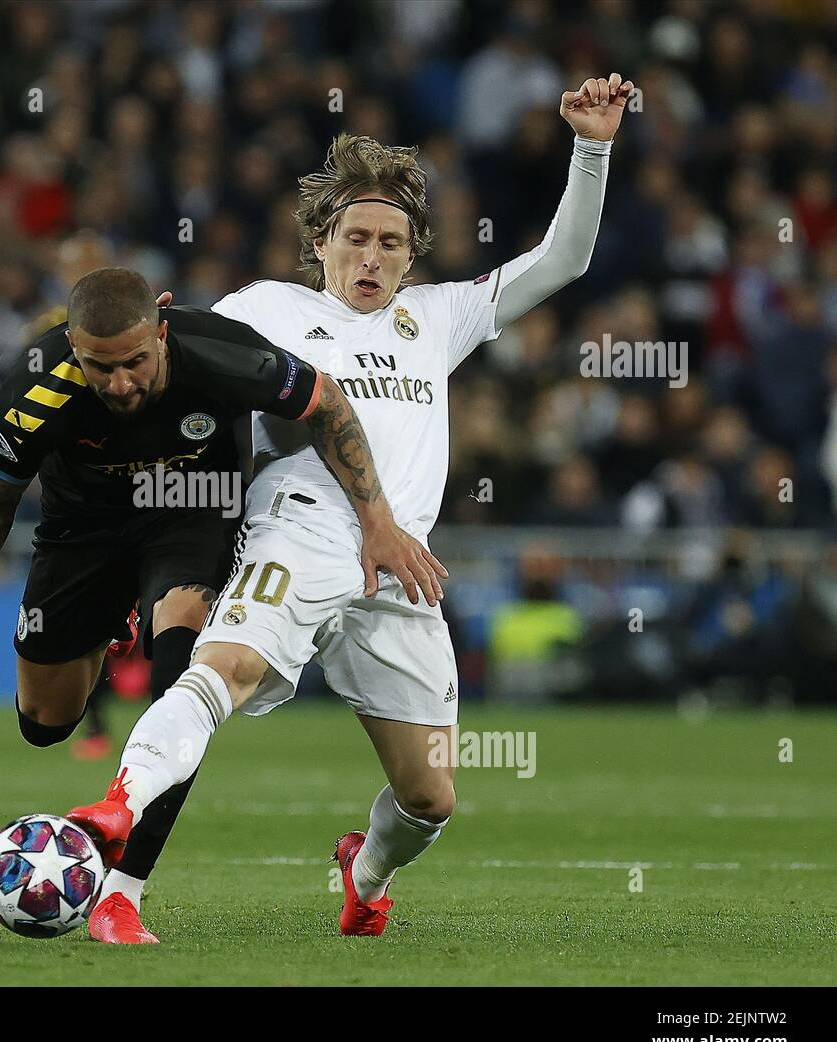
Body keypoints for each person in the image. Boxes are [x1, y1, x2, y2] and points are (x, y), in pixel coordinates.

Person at [69, 74, 633, 941]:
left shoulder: (437, 319)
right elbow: (173, 381)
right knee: (224, 670)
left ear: (413, 257)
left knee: (431, 794)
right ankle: (114, 819)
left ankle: (365, 873)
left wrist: (590, 147)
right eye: (356, 238)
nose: (372, 258)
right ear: (321, 243)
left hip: (404, 564)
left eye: (392, 244)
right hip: (302, 529)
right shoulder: (268, 309)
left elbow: (565, 262)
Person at [0, 266, 443, 942]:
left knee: (183, 673)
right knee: (45, 720)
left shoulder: (226, 351)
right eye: (99, 367)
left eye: (136, 362)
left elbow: (330, 406)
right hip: (81, 533)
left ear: (163, 323)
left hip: (191, 520)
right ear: (71, 345)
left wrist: (377, 519)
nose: (121, 384)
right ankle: (118, 623)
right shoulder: (35, 388)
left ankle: (124, 893)